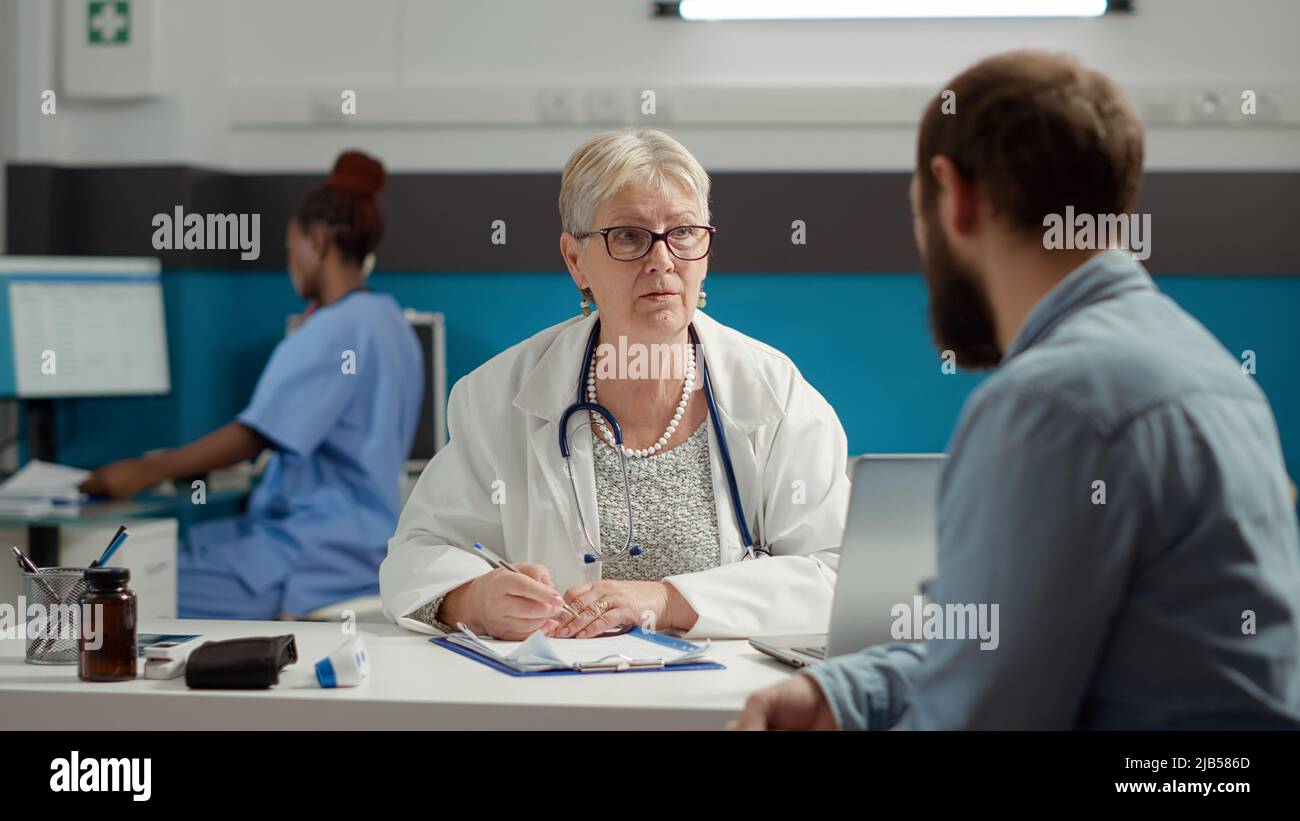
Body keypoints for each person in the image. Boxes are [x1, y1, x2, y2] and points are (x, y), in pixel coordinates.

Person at [737, 51, 1300, 730]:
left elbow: (981, 717)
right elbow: (1006, 648)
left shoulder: (1052, 405)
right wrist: (849, 692)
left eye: (920, 212)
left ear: (955, 195)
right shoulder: (1209, 370)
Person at [381, 127, 850, 641]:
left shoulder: (773, 394)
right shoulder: (498, 397)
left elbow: (838, 572)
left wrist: (668, 600)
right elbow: (414, 556)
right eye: (629, 236)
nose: (663, 260)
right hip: (559, 704)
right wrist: (470, 598)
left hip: (722, 705)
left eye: (684, 233)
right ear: (575, 259)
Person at [81, 150, 425, 620]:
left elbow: (255, 435)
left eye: (291, 251)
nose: (291, 266)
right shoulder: (391, 321)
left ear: (319, 241)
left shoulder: (332, 329)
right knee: (195, 548)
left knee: (127, 587)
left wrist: (144, 471)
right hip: (362, 547)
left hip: (309, 557)